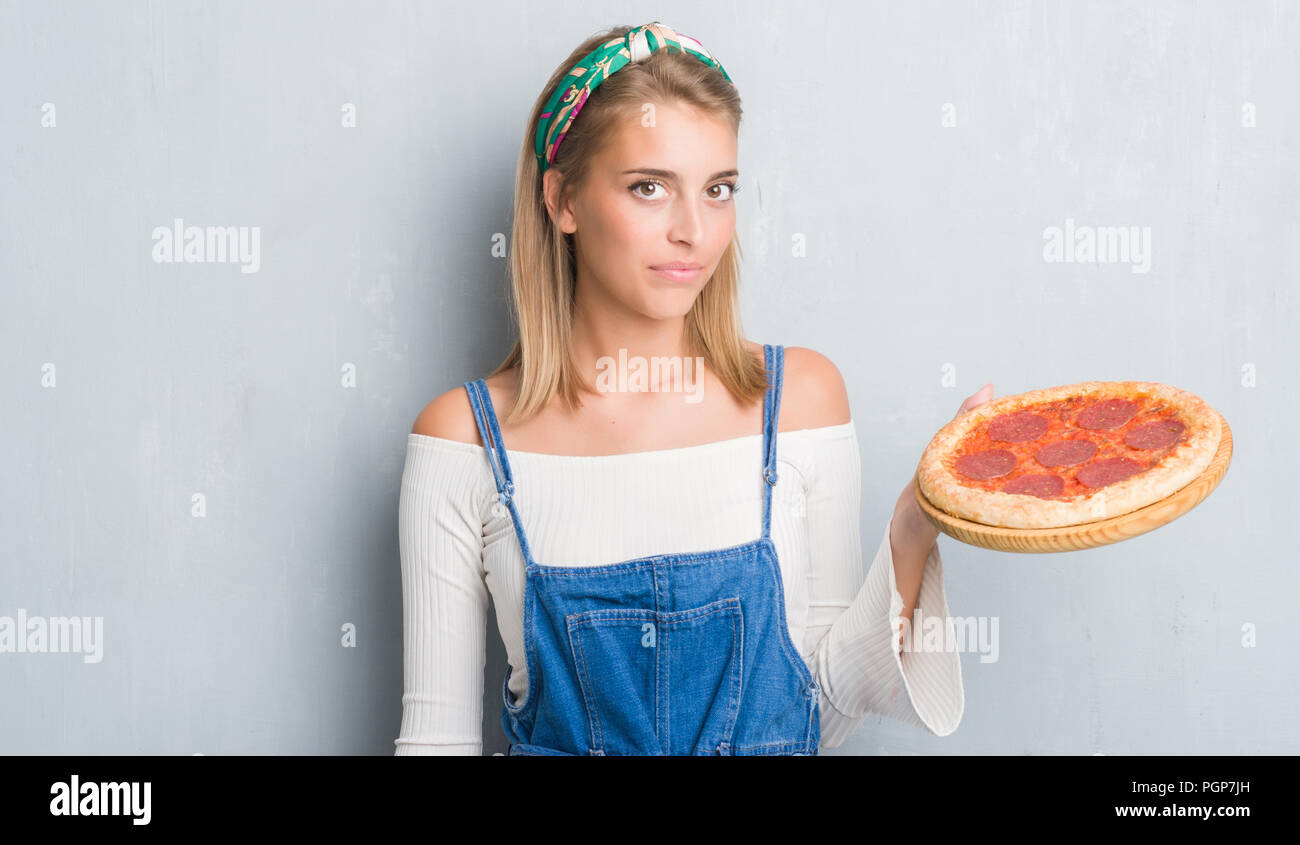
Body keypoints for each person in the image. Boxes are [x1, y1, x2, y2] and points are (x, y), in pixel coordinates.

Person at [395, 21, 991, 755]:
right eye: (649, 187)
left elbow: (818, 712)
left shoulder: (800, 400)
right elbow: (435, 742)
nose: (694, 230)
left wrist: (913, 526)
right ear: (563, 201)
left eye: (718, 190)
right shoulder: (463, 440)